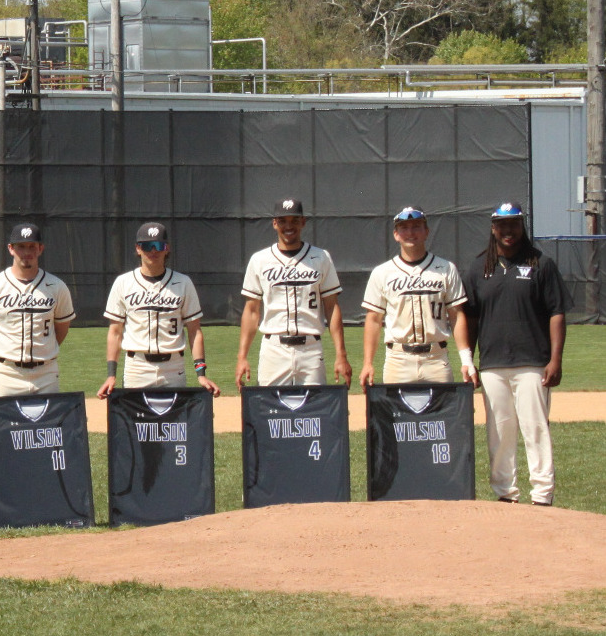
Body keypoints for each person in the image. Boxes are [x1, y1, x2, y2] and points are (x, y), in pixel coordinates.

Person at [467, 201, 568, 506]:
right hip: (493, 364)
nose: (508, 230)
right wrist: (468, 361)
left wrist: (555, 359)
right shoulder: (478, 267)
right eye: (502, 224)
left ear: (522, 226)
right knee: (499, 433)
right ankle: (505, 494)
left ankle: (542, 494)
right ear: (493, 228)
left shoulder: (540, 263)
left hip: (532, 363)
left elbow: (557, 313)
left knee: (535, 429)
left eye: (514, 224)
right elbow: (469, 318)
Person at [234, 198, 352, 387]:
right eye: (282, 221)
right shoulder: (260, 260)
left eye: (294, 221)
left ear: (303, 222)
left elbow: (332, 307)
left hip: (311, 349)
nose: (289, 226)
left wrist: (341, 355)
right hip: (273, 350)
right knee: (269, 410)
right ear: (274, 223)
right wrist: (242, 357)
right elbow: (251, 311)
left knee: (314, 410)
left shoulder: (321, 257)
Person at [97, 223, 221, 398]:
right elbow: (115, 332)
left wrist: (201, 374)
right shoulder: (123, 283)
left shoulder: (183, 282)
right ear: (138, 248)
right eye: (147, 246)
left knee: (174, 421)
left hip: (173, 367)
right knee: (136, 422)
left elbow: (194, 331)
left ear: (167, 248)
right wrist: (111, 375)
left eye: (158, 245)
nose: (153, 251)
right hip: (137, 367)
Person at [360, 207, 477, 388]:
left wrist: (466, 359)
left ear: (426, 232)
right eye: (404, 228)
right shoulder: (382, 272)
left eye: (416, 226)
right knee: (396, 415)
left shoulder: (446, 268)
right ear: (396, 234)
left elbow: (456, 315)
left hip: (436, 359)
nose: (410, 232)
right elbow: (373, 320)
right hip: (398, 360)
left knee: (442, 415)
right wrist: (368, 363)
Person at [0, 222, 76, 396]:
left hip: (46, 373)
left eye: (32, 246)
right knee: (3, 423)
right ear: (11, 249)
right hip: (6, 374)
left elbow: (61, 329)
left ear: (40, 248)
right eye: (21, 247)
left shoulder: (57, 287)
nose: (27, 252)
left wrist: (44, 351)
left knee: (48, 423)